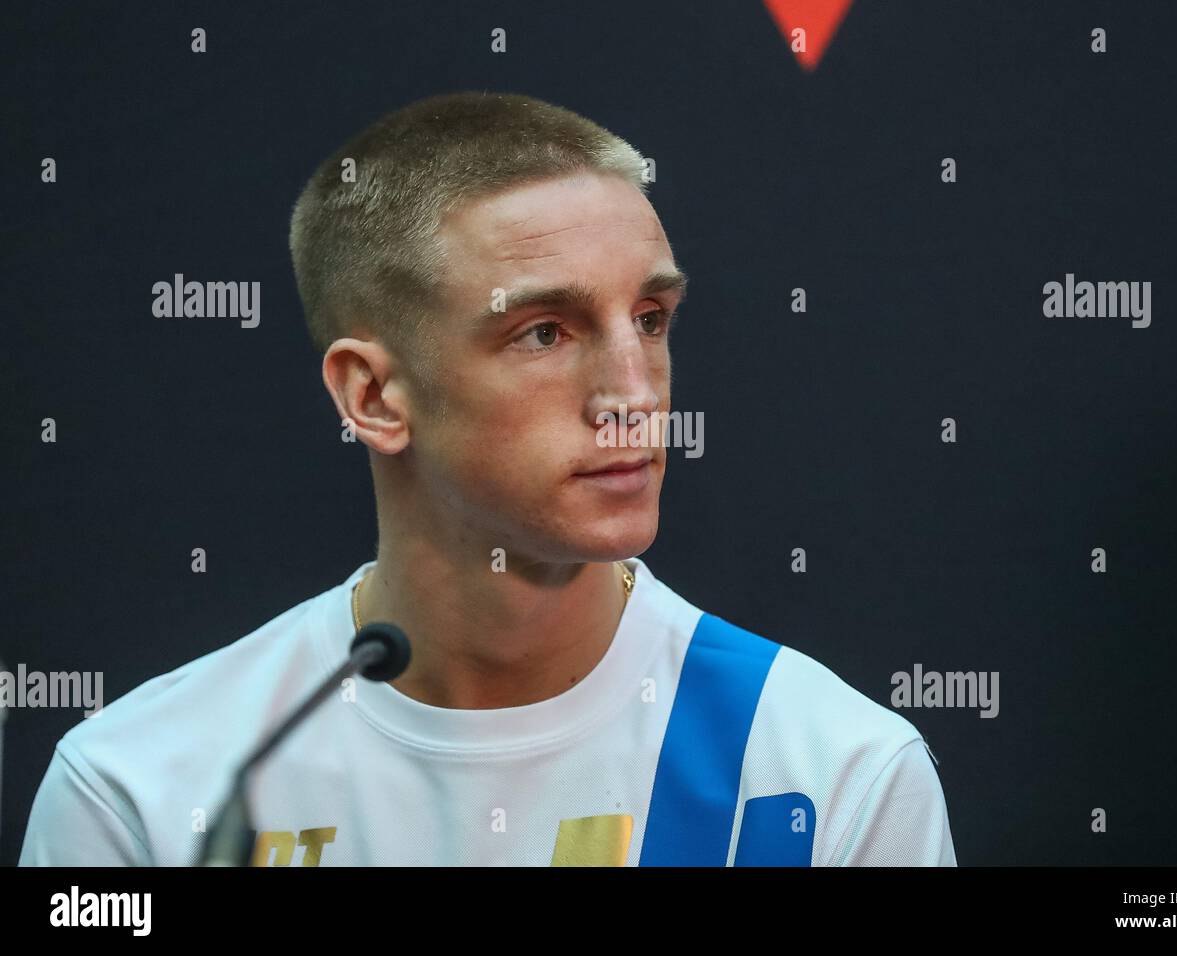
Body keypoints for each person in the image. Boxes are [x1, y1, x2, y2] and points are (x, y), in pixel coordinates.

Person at [19, 91, 956, 866]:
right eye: (544, 332)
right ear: (375, 395)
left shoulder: (830, 775)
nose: (632, 394)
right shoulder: (141, 794)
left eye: (653, 319)